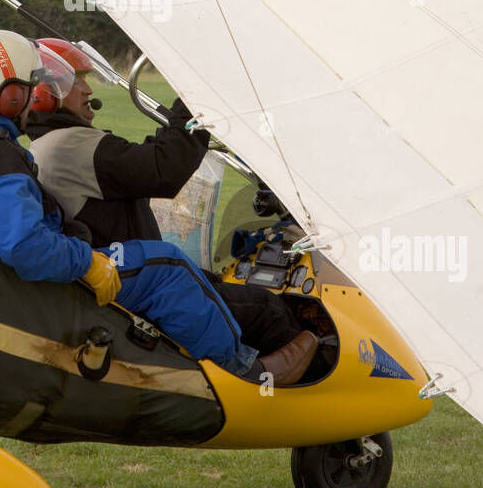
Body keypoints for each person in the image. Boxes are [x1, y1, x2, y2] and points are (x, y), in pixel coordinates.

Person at [0, 29, 266, 380]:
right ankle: (241, 371)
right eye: (28, 88)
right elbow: (23, 245)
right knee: (167, 265)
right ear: (9, 95)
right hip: (36, 292)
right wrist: (87, 262)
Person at [26, 38, 317, 386]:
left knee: (208, 281)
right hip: (138, 288)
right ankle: (280, 388)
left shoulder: (46, 145)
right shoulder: (70, 145)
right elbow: (162, 169)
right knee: (267, 309)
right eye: (78, 81)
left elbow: (136, 165)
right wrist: (193, 105)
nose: (88, 89)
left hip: (120, 280)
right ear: (46, 93)